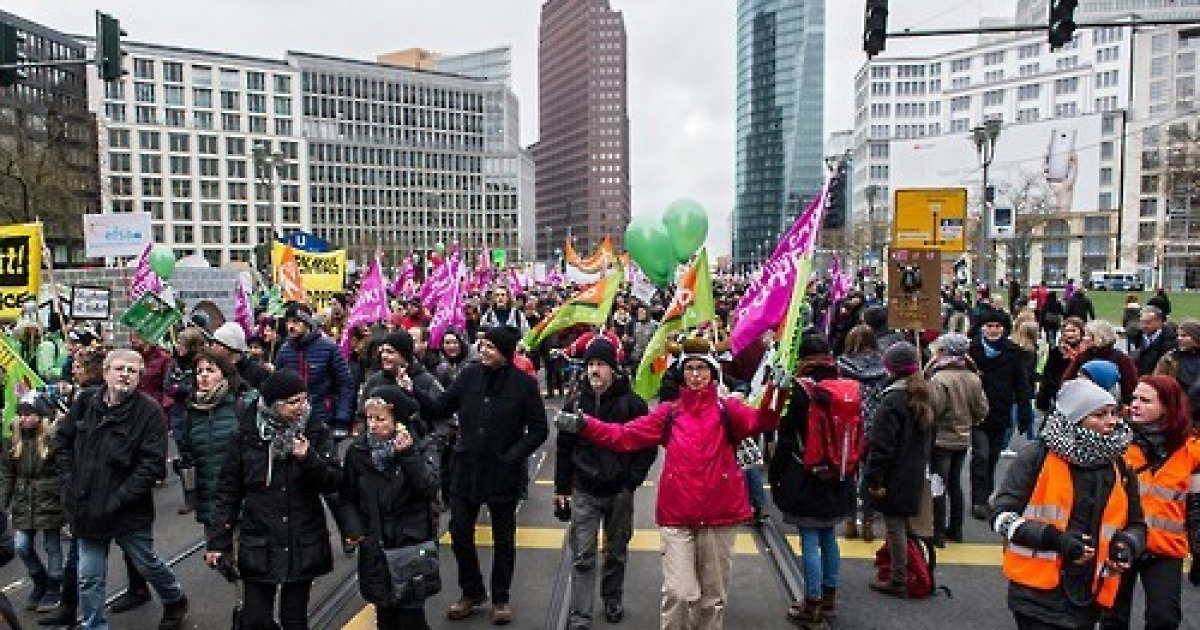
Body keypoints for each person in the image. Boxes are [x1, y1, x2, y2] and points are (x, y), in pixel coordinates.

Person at [554, 336, 785, 630]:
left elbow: (764, 421)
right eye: (690, 368)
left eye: (703, 368)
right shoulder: (670, 413)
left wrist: (777, 389)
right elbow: (625, 436)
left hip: (719, 515)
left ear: (713, 372)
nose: (696, 375)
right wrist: (587, 425)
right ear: (681, 373)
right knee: (679, 592)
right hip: (677, 516)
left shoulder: (728, 410)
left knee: (712, 598)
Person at [402, 326, 548, 625]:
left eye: (491, 347)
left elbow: (539, 430)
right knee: (459, 533)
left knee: (503, 539)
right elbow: (441, 407)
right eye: (482, 345)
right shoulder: (468, 376)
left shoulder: (524, 385)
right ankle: (472, 591)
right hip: (466, 470)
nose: (483, 351)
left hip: (503, 474)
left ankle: (501, 597)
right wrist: (412, 391)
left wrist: (512, 456)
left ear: (505, 353)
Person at [991, 378, 1146, 629]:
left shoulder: (1119, 464)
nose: (1112, 421)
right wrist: (1054, 539)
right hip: (1036, 594)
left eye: (1113, 412)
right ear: (1076, 419)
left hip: (1089, 593)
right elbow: (1001, 516)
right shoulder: (1037, 455)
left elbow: (1137, 525)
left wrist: (1126, 545)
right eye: (1100, 415)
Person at [55, 349, 190, 630]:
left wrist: (119, 498)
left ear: (140, 378)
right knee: (89, 576)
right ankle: (94, 625)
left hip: (127, 510)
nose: (124, 375)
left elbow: (152, 464)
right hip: (87, 506)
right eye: (119, 368)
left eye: (132, 371)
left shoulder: (148, 411)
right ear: (105, 372)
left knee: (146, 563)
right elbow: (62, 441)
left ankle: (174, 598)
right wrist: (69, 480)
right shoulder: (87, 401)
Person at [204, 369, 342, 630]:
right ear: (273, 405)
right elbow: (228, 491)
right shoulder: (245, 436)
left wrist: (308, 458)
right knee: (255, 620)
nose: (301, 407)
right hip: (260, 539)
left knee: (294, 619)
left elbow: (334, 481)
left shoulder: (314, 431)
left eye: (304, 399)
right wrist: (218, 541)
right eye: (293, 402)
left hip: (302, 538)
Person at [553, 337, 654, 630]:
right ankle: (580, 614)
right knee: (582, 553)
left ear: (613, 368)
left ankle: (612, 597)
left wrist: (631, 481)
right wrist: (562, 488)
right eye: (590, 365)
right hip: (585, 489)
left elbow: (646, 446)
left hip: (619, 491)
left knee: (616, 550)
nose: (594, 371)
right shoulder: (575, 401)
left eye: (600, 365)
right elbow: (564, 446)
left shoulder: (632, 404)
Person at [1099, 376, 1200, 630]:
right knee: (1111, 617)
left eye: (1145, 400)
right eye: (1134, 398)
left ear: (1167, 406)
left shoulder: (1192, 451)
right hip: (1119, 542)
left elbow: (1197, 506)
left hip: (1165, 548)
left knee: (1164, 619)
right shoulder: (1115, 443)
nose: (1134, 404)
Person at [772, 333, 855, 628]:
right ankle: (830, 596)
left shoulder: (801, 390)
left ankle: (811, 602)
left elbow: (786, 438)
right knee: (829, 535)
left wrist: (776, 475)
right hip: (839, 472)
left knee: (809, 536)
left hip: (807, 473)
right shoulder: (844, 384)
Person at [340, 385, 439, 630]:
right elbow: (347, 496)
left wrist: (408, 456)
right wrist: (355, 529)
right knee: (385, 615)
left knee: (411, 618)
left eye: (380, 419)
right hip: (376, 546)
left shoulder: (422, 446)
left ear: (398, 421)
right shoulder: (358, 453)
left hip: (410, 543)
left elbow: (428, 488)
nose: (373, 425)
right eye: (369, 418)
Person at [864, 342, 934, 597]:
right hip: (914, 469)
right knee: (905, 525)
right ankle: (912, 570)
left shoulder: (892, 399)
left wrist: (874, 478)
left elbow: (882, 445)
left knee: (894, 527)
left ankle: (898, 577)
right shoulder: (923, 394)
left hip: (894, 473)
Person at [177, 351, 256, 532]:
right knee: (217, 557)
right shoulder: (192, 410)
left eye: (210, 370)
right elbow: (190, 455)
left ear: (224, 373)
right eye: (199, 371)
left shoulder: (242, 403)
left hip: (243, 502)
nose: (204, 375)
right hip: (210, 504)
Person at [0, 391, 65, 612]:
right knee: (22, 546)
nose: (25, 418)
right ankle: (40, 580)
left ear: (40, 415)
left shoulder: (51, 440)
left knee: (52, 546)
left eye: (30, 413)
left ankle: (55, 585)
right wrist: (3, 502)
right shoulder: (13, 442)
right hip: (23, 500)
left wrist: (63, 497)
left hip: (49, 500)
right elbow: (7, 474)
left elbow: (63, 470)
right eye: (22, 414)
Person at [968, 310, 1033, 520]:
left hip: (1001, 409)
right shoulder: (972, 350)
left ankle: (986, 495)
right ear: (982, 328)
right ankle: (978, 500)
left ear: (1004, 328)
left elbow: (1022, 384)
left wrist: (1025, 411)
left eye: (997, 326)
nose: (993, 330)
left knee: (992, 458)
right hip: (977, 411)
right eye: (989, 326)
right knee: (981, 455)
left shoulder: (1014, 352)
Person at [927, 333, 989, 547]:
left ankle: (937, 531)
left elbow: (933, 410)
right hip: (962, 436)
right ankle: (956, 528)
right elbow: (982, 409)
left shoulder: (939, 378)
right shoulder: (973, 377)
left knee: (938, 485)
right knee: (955, 484)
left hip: (941, 437)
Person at [835, 325, 888, 542]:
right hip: (875, 425)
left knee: (849, 474)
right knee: (870, 474)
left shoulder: (842, 365)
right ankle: (868, 520)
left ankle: (849, 520)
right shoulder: (884, 366)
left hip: (850, 425)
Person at [1062, 320, 1140, 404]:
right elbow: (1067, 380)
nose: (1084, 338)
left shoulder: (1121, 359)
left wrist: (1126, 405)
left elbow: (1130, 387)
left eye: (1088, 335)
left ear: (1099, 337)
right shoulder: (1082, 356)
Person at [1037, 317, 1087, 417]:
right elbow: (1048, 376)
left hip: (1084, 397)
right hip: (1061, 396)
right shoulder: (1056, 352)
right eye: (1067, 331)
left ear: (1081, 332)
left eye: (1073, 331)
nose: (1070, 334)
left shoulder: (1088, 352)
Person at [209, 322, 272, 389]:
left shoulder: (259, 373)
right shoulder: (214, 369)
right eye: (212, 343)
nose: (212, 347)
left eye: (217, 344)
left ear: (230, 347)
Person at [1154, 319, 1200, 410]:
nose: (1179, 338)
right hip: (1177, 407)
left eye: (1184, 336)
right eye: (1178, 335)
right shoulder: (1169, 358)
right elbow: (1157, 383)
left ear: (1196, 337)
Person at [1129, 306, 1177, 377]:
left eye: (1148, 323)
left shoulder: (1170, 341)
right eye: (1142, 322)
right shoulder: (1134, 336)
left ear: (1159, 322)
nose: (1144, 326)